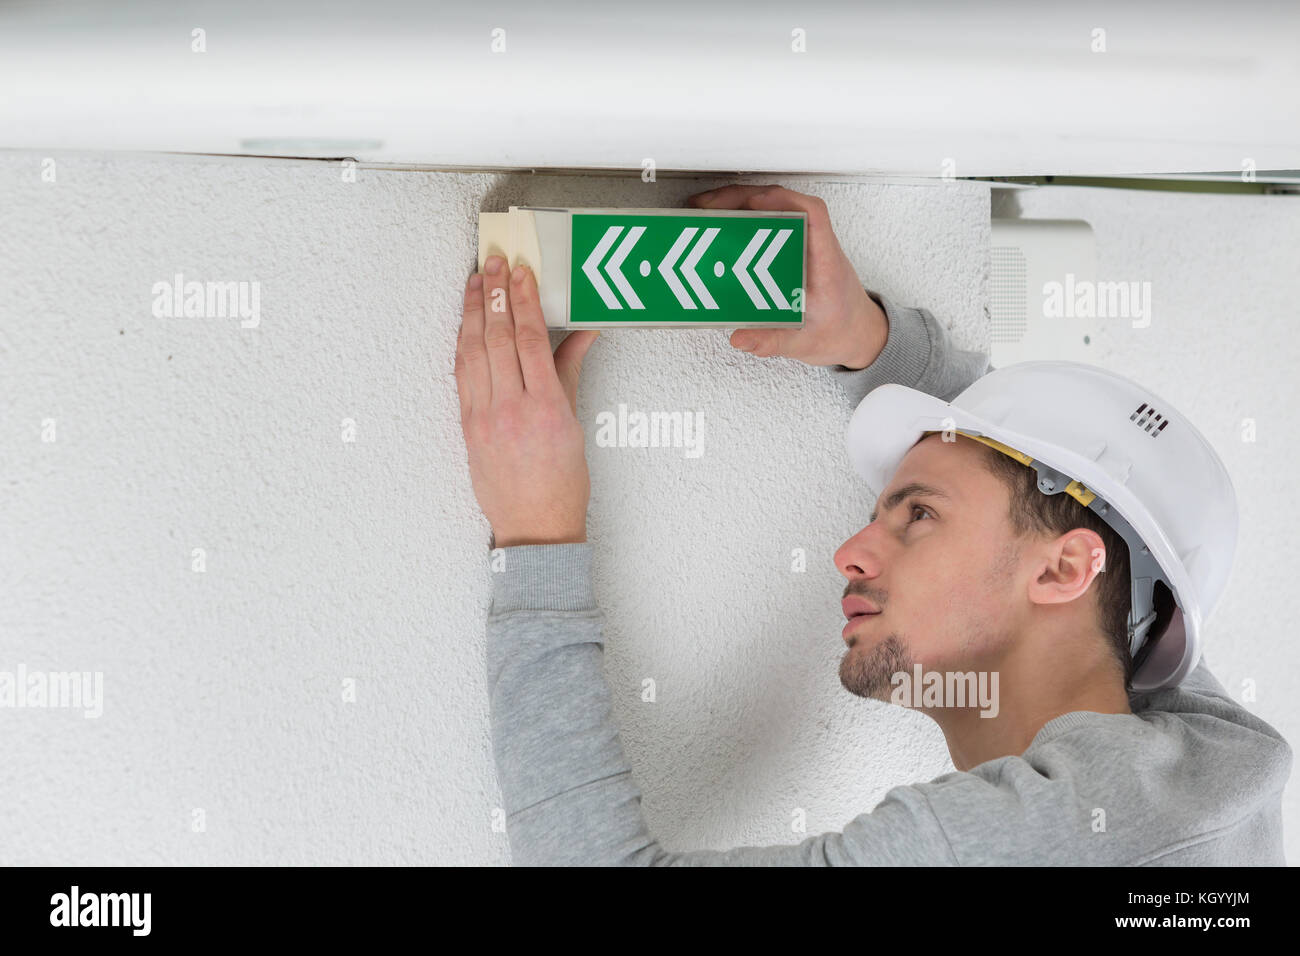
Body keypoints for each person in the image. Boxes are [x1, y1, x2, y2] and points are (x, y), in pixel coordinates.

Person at [454, 184, 1291, 865]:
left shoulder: (1001, 845)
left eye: (917, 513)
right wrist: (869, 339)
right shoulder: (1218, 776)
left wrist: (536, 535)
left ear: (1067, 572)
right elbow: (1102, 526)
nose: (849, 553)